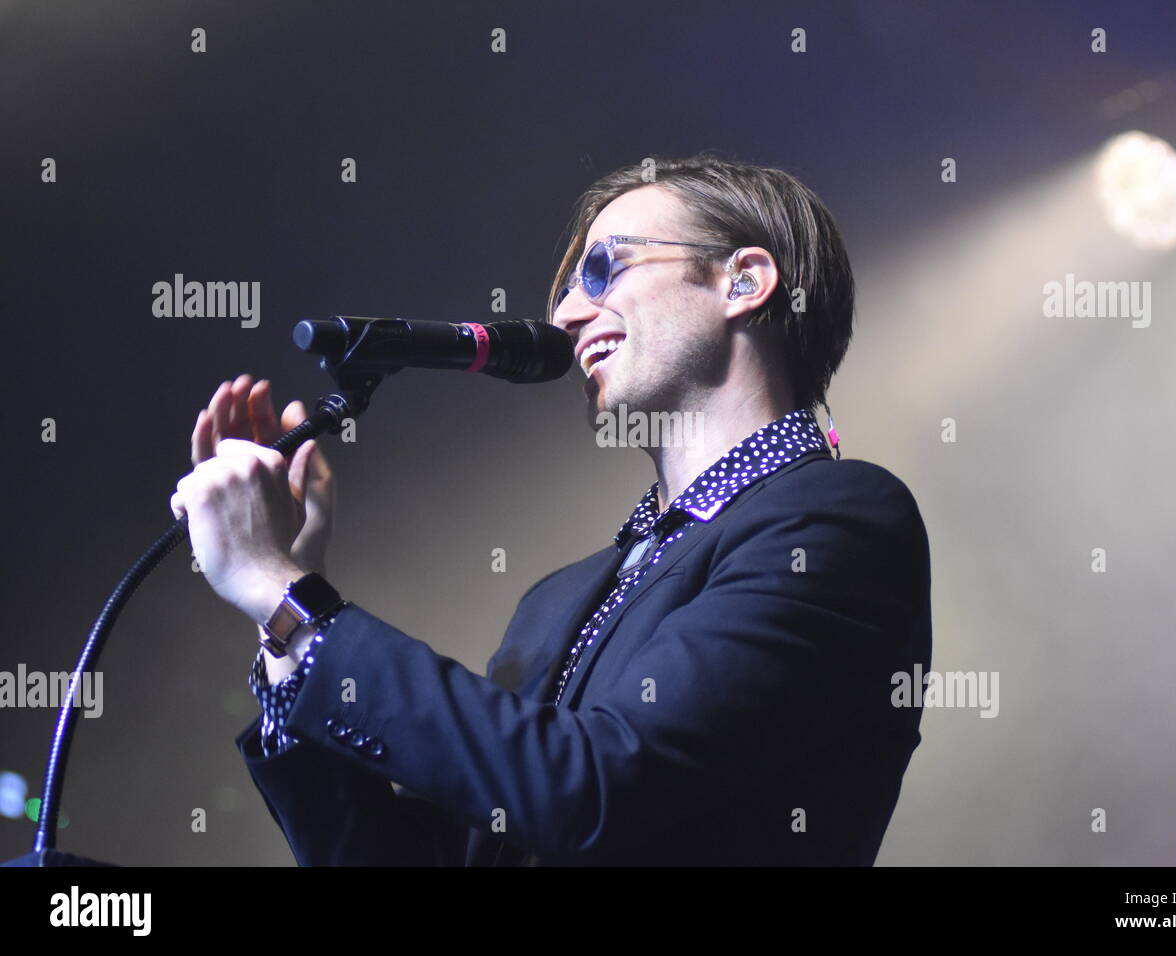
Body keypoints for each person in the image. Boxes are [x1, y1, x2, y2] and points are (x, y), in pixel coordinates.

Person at [171, 153, 932, 865]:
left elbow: (600, 788)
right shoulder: (560, 599)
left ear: (744, 281)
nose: (567, 315)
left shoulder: (840, 519)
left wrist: (293, 602)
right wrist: (286, 614)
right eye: (567, 289)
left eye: (603, 269)